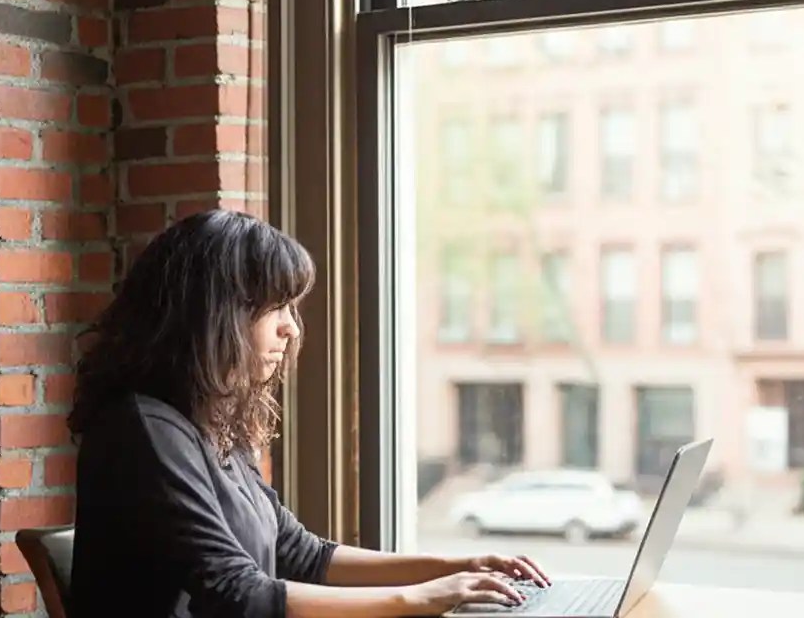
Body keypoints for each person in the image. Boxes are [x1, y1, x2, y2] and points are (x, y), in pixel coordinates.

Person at [67, 209, 550, 618]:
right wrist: (418, 598)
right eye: (274, 308)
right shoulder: (142, 429)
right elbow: (237, 594)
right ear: (213, 313)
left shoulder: (209, 423)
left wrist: (453, 569)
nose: (290, 329)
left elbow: (301, 554)